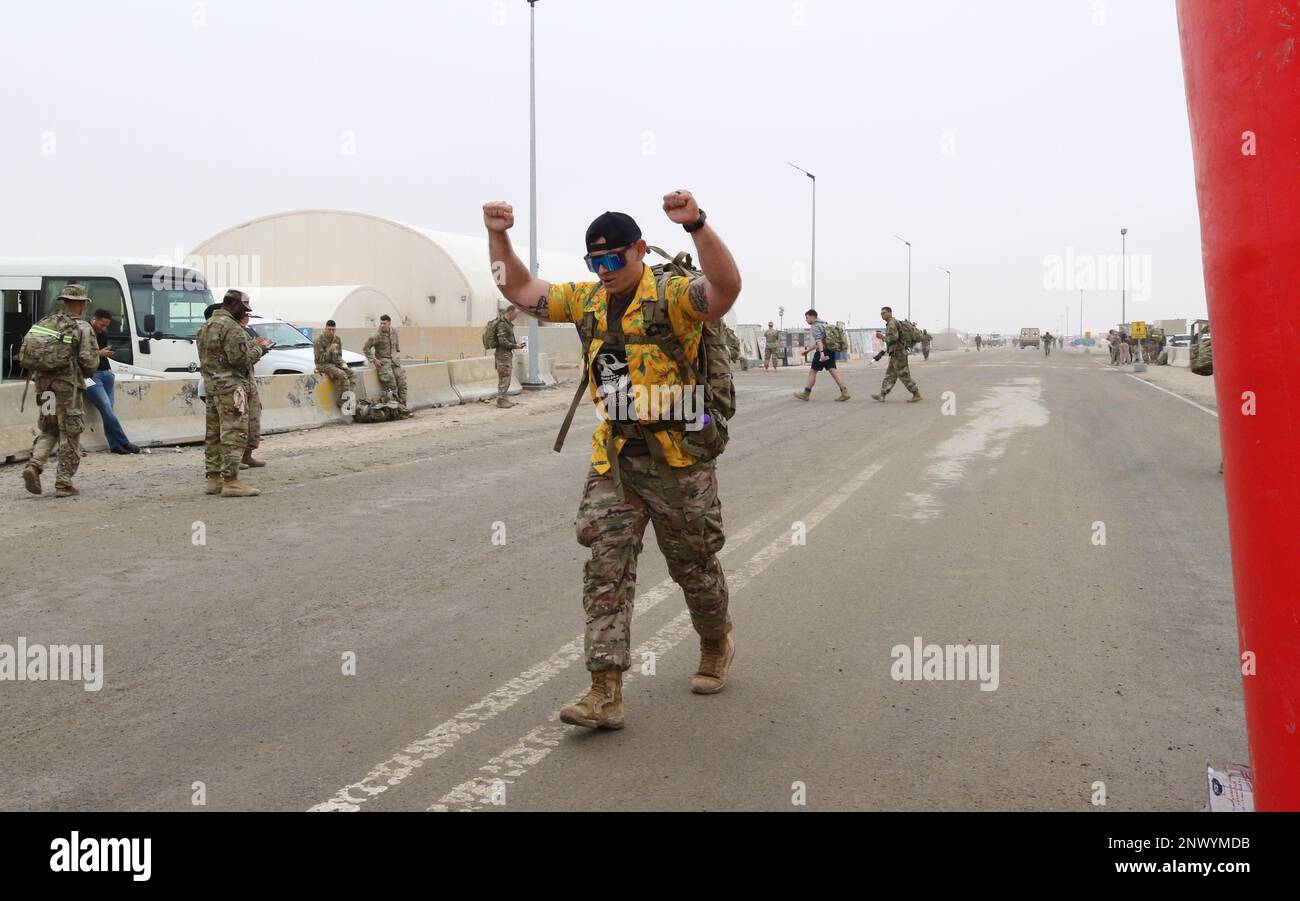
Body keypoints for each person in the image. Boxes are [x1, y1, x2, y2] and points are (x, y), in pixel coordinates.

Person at [484, 189, 741, 730]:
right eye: (593, 261)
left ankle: (716, 644)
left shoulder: (672, 296)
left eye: (612, 259)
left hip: (679, 459)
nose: (603, 270)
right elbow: (520, 288)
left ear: (640, 250)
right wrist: (499, 237)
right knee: (605, 569)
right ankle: (605, 691)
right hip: (617, 458)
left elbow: (724, 289)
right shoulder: (587, 300)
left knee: (692, 566)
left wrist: (696, 224)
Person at [20, 284, 100, 497]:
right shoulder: (82, 327)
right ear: (81, 303)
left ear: (63, 301)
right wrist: (87, 370)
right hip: (68, 388)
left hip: (43, 386)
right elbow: (88, 360)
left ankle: (34, 465)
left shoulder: (45, 323)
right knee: (71, 432)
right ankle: (63, 483)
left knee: (49, 429)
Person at [197, 290, 270, 497]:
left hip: (212, 388)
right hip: (231, 389)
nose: (244, 313)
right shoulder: (232, 328)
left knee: (213, 436)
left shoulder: (205, 326)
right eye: (243, 309)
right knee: (233, 435)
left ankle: (214, 479)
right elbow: (240, 360)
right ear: (235, 305)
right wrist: (259, 350)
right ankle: (231, 481)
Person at [84, 309, 140, 455]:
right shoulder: (83, 332)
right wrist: (99, 353)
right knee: (106, 408)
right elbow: (77, 355)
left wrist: (107, 365)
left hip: (105, 374)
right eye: (102, 325)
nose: (103, 328)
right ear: (94, 319)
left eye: (106, 326)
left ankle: (115, 445)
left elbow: (101, 355)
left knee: (108, 411)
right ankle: (124, 442)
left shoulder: (103, 334)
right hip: (90, 375)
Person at [793, 309, 850, 401]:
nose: (806, 320)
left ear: (812, 316)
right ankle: (845, 392)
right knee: (833, 371)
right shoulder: (824, 323)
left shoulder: (815, 326)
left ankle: (806, 394)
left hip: (822, 352)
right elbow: (821, 342)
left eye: (807, 317)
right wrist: (808, 351)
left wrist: (821, 353)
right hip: (830, 351)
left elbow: (819, 341)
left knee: (812, 372)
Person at [871, 306, 922, 402]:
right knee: (890, 375)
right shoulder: (891, 323)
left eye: (884, 313)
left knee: (903, 374)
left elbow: (894, 338)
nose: (882, 315)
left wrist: (882, 337)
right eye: (881, 314)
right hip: (895, 353)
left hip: (899, 353)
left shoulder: (892, 324)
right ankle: (882, 395)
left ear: (890, 313)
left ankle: (916, 394)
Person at [364, 314, 410, 415]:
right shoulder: (376, 336)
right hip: (384, 363)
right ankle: (397, 410)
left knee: (402, 383)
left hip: (395, 362)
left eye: (384, 323)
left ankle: (403, 407)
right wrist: (374, 360)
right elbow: (366, 348)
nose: (382, 325)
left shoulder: (394, 331)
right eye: (381, 323)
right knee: (392, 386)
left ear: (389, 323)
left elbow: (397, 346)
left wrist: (397, 355)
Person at [237, 311, 265, 469]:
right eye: (243, 314)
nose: (246, 317)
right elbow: (241, 359)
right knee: (241, 422)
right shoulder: (234, 332)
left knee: (253, 420)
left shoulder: (245, 331)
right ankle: (236, 458)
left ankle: (247, 455)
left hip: (248, 380)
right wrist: (258, 348)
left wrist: (259, 348)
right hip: (238, 383)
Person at [312, 319, 356, 412]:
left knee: (352, 374)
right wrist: (330, 350)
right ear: (325, 329)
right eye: (329, 329)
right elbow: (320, 359)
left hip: (335, 363)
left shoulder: (337, 339)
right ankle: (342, 402)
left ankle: (345, 398)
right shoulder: (318, 341)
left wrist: (343, 363)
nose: (331, 332)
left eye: (333, 330)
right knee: (342, 375)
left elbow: (339, 355)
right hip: (323, 364)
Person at [490, 304, 521, 408]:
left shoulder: (507, 323)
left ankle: (504, 399)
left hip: (505, 354)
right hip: (502, 356)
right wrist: (515, 346)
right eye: (516, 314)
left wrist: (515, 346)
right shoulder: (502, 324)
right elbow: (502, 341)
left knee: (505, 378)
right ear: (511, 312)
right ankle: (501, 401)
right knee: (504, 378)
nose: (516, 317)